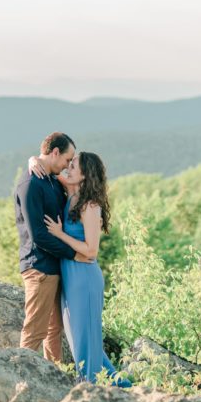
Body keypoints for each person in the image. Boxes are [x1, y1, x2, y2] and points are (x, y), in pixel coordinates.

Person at [30, 151, 132, 387]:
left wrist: (60, 234)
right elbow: (46, 168)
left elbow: (91, 250)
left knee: (86, 340)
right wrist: (33, 160)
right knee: (78, 340)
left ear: (85, 175)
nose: (68, 167)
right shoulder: (71, 193)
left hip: (85, 278)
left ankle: (91, 389)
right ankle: (116, 387)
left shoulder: (91, 206)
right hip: (70, 277)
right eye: (70, 162)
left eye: (74, 165)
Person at [14, 132, 93, 363]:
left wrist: (34, 158)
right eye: (68, 159)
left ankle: (54, 379)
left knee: (53, 331)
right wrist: (74, 254)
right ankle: (19, 378)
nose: (69, 165)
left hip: (54, 268)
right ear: (55, 152)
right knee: (34, 331)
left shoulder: (50, 179)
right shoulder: (31, 184)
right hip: (39, 268)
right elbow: (38, 235)